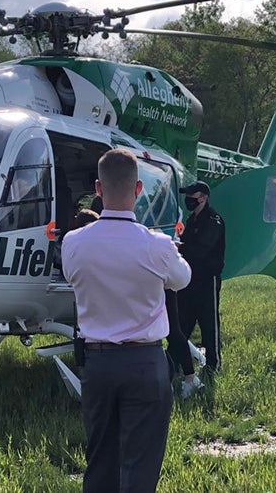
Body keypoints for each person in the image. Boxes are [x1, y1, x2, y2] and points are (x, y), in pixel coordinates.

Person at [62, 149, 191, 493]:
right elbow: (183, 279)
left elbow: (73, 277)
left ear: (97, 189)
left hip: (97, 361)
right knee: (141, 464)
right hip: (144, 361)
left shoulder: (73, 243)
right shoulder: (157, 245)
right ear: (138, 189)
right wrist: (170, 253)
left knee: (100, 460)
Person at [177, 180, 226, 375]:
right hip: (189, 279)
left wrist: (180, 247)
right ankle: (176, 363)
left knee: (209, 326)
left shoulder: (213, 220)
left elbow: (201, 250)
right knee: (182, 324)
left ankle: (213, 366)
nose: (188, 200)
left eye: (192, 196)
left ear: (203, 198)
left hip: (207, 279)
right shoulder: (192, 219)